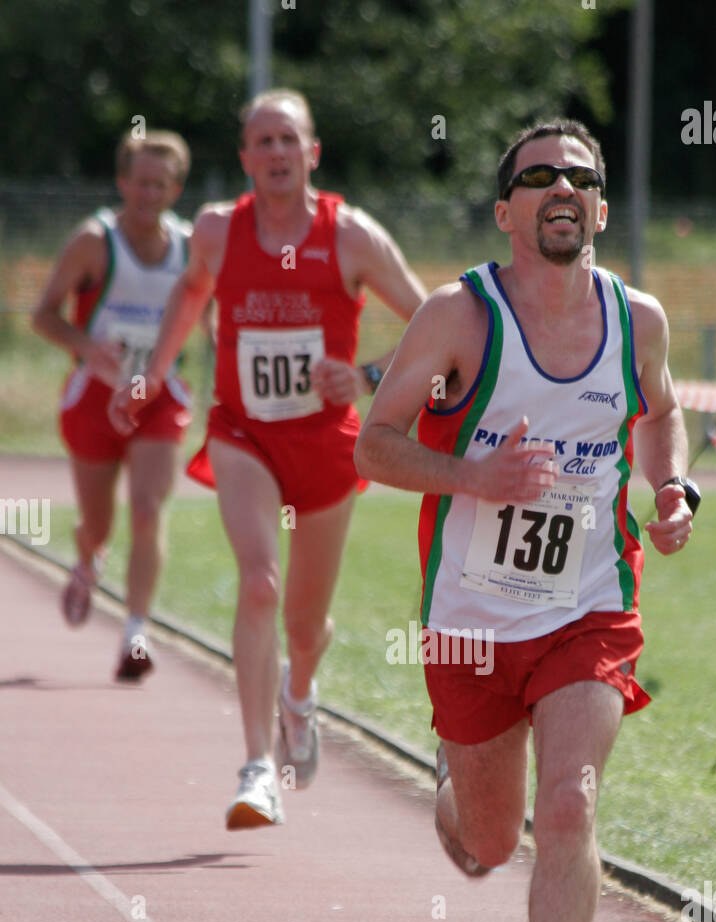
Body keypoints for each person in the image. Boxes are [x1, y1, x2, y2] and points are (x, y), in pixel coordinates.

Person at [355, 119, 700, 922]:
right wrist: (475, 474)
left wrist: (669, 489)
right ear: (505, 208)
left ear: (597, 206)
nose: (561, 188)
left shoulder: (638, 320)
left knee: (571, 802)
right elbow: (374, 447)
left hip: (587, 608)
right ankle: (455, 784)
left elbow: (661, 407)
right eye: (537, 175)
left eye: (580, 178)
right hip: (469, 616)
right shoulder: (457, 318)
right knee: (485, 842)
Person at [110, 89, 426, 828]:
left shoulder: (351, 236)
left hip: (325, 444)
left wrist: (370, 376)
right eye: (263, 141)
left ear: (312, 153)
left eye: (290, 139)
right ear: (245, 158)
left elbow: (437, 321)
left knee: (307, 623)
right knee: (258, 583)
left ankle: (300, 693)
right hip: (242, 433)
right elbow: (189, 297)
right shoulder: (218, 231)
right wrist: (151, 373)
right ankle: (257, 769)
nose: (278, 153)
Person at [32, 129, 193, 680]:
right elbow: (43, 313)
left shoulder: (192, 247)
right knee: (97, 523)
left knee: (148, 511)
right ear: (123, 182)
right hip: (95, 400)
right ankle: (88, 557)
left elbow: (213, 322)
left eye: (161, 184)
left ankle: (135, 632)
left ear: (175, 189)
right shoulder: (92, 241)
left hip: (159, 397)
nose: (149, 194)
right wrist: (86, 347)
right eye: (140, 182)